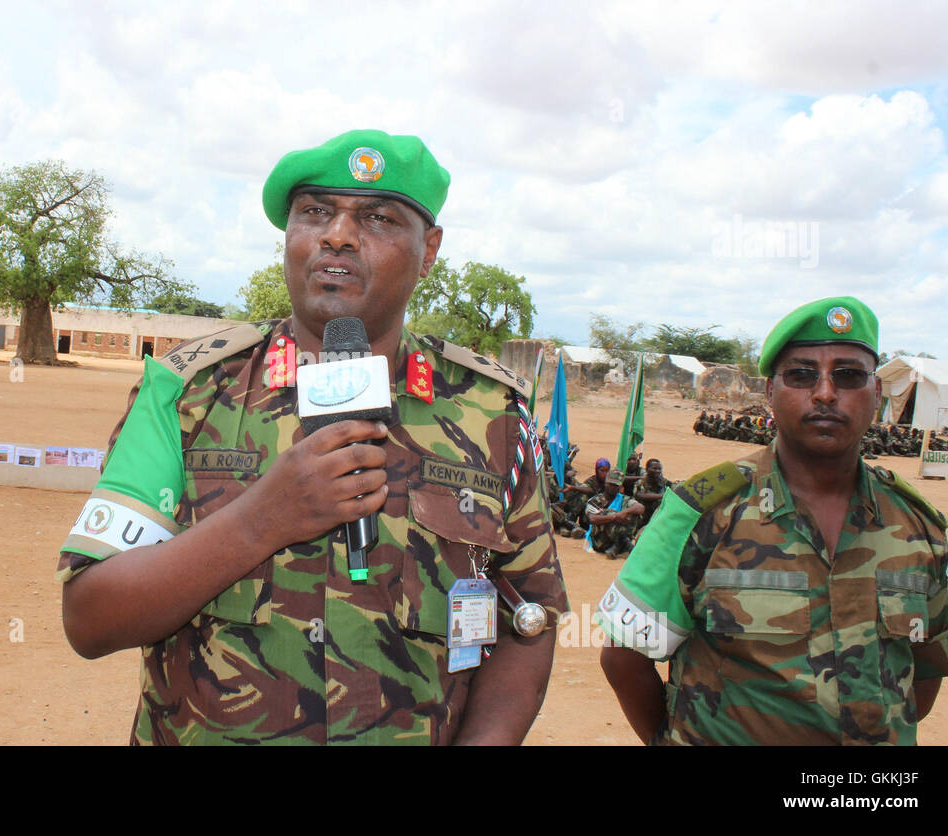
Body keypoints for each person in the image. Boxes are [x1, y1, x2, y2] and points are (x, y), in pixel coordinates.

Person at [56, 129, 568, 746]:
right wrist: (262, 519)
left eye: (377, 217)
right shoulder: (186, 393)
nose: (339, 235)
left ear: (428, 249)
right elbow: (90, 619)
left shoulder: (493, 412)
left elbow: (528, 621)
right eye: (316, 212)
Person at [596, 296, 948, 745]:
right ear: (770, 392)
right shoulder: (701, 513)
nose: (826, 392)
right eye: (802, 374)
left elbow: (925, 669)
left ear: (877, 393)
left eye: (848, 375)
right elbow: (625, 658)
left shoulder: (917, 526)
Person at [584, 469, 644, 558]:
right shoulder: (595, 500)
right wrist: (615, 517)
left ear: (620, 487)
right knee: (609, 514)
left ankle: (618, 546)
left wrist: (625, 512)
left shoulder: (624, 499)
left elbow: (640, 508)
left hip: (618, 537)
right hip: (600, 540)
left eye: (616, 485)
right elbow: (592, 518)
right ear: (605, 483)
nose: (613, 487)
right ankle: (623, 544)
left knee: (634, 513)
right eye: (611, 484)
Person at [631, 458, 670, 526]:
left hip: (658, 516)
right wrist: (664, 495)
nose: (657, 471)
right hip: (642, 518)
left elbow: (674, 487)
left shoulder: (662, 481)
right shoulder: (641, 482)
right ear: (647, 469)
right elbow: (641, 495)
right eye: (654, 468)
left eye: (659, 469)